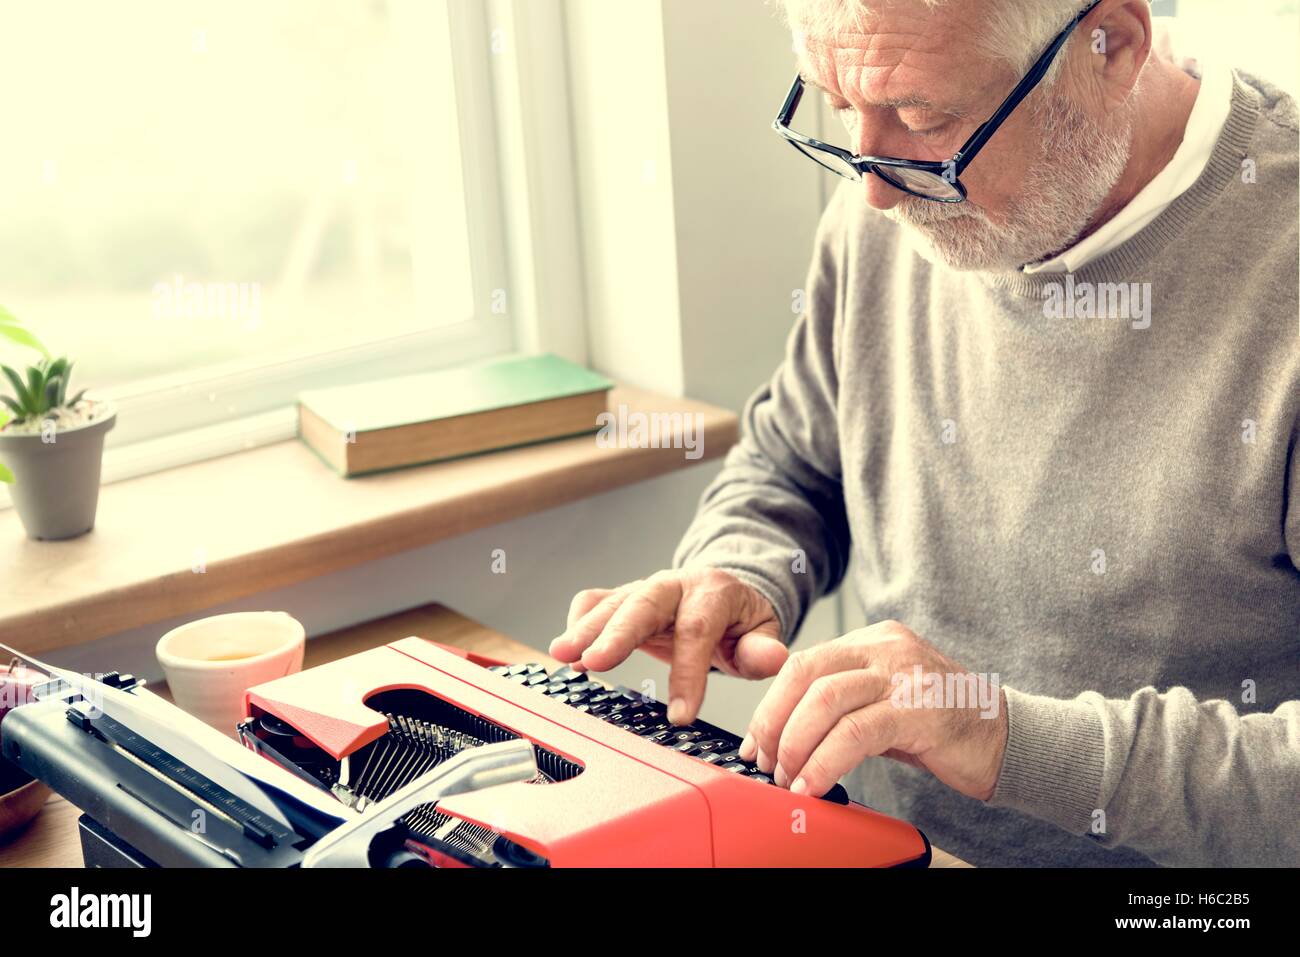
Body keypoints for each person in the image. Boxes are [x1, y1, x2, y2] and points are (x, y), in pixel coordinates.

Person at [552, 0, 1299, 866]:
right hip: (881, 847)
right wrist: (744, 566)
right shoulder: (898, 197)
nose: (869, 188)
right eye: (837, 104)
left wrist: (1007, 739)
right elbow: (795, 462)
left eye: (924, 117)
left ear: (1113, 46)